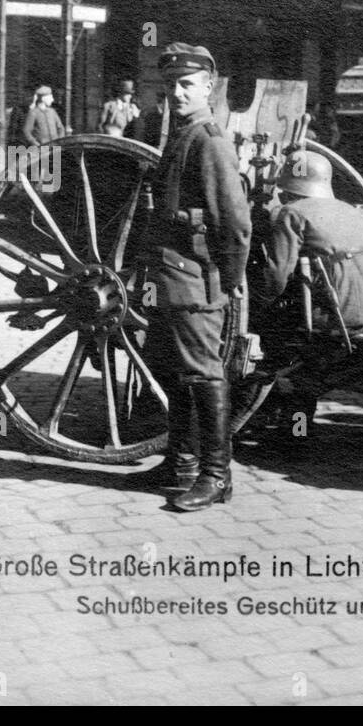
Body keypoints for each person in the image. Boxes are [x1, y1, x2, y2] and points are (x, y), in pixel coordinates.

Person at [139, 43, 251, 511]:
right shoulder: (181, 133)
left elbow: (235, 222)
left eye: (187, 84)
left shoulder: (209, 140)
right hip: (171, 274)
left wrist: (229, 278)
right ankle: (181, 464)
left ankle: (216, 475)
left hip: (196, 278)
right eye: (171, 85)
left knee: (204, 374)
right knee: (175, 370)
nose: (177, 93)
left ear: (209, 87)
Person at [253, 149, 363, 435]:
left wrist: (256, 303)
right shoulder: (354, 212)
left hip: (327, 315)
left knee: (280, 348)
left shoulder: (292, 213)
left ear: (288, 188)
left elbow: (277, 276)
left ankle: (296, 431)